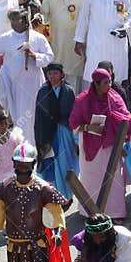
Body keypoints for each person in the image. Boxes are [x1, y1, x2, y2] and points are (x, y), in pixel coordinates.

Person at [69, 68, 131, 219]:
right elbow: (73, 123)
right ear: (96, 84)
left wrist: (112, 121)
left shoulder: (114, 97)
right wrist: (88, 127)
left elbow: (125, 117)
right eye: (105, 82)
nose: (109, 85)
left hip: (110, 144)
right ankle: (90, 211)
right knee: (91, 176)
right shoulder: (82, 100)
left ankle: (115, 212)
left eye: (110, 81)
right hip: (90, 144)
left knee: (113, 176)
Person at [0, 8, 54, 146]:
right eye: (11, 19)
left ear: (25, 21)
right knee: (19, 118)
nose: (12, 23)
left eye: (15, 19)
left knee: (34, 118)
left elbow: (49, 56)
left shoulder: (37, 38)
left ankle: (34, 148)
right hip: (15, 86)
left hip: (34, 85)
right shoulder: (6, 38)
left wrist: (35, 55)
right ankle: (20, 148)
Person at [74, 0, 131, 87]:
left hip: (116, 43)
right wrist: (79, 39)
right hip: (96, 43)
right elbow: (83, 18)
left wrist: (125, 27)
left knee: (115, 78)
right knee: (94, 77)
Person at [34, 63, 78, 203]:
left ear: (62, 74)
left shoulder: (68, 91)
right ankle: (53, 194)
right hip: (48, 134)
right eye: (50, 73)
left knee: (66, 165)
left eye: (55, 73)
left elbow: (73, 114)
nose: (53, 76)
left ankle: (67, 194)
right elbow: (39, 116)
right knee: (51, 164)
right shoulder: (43, 91)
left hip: (65, 133)